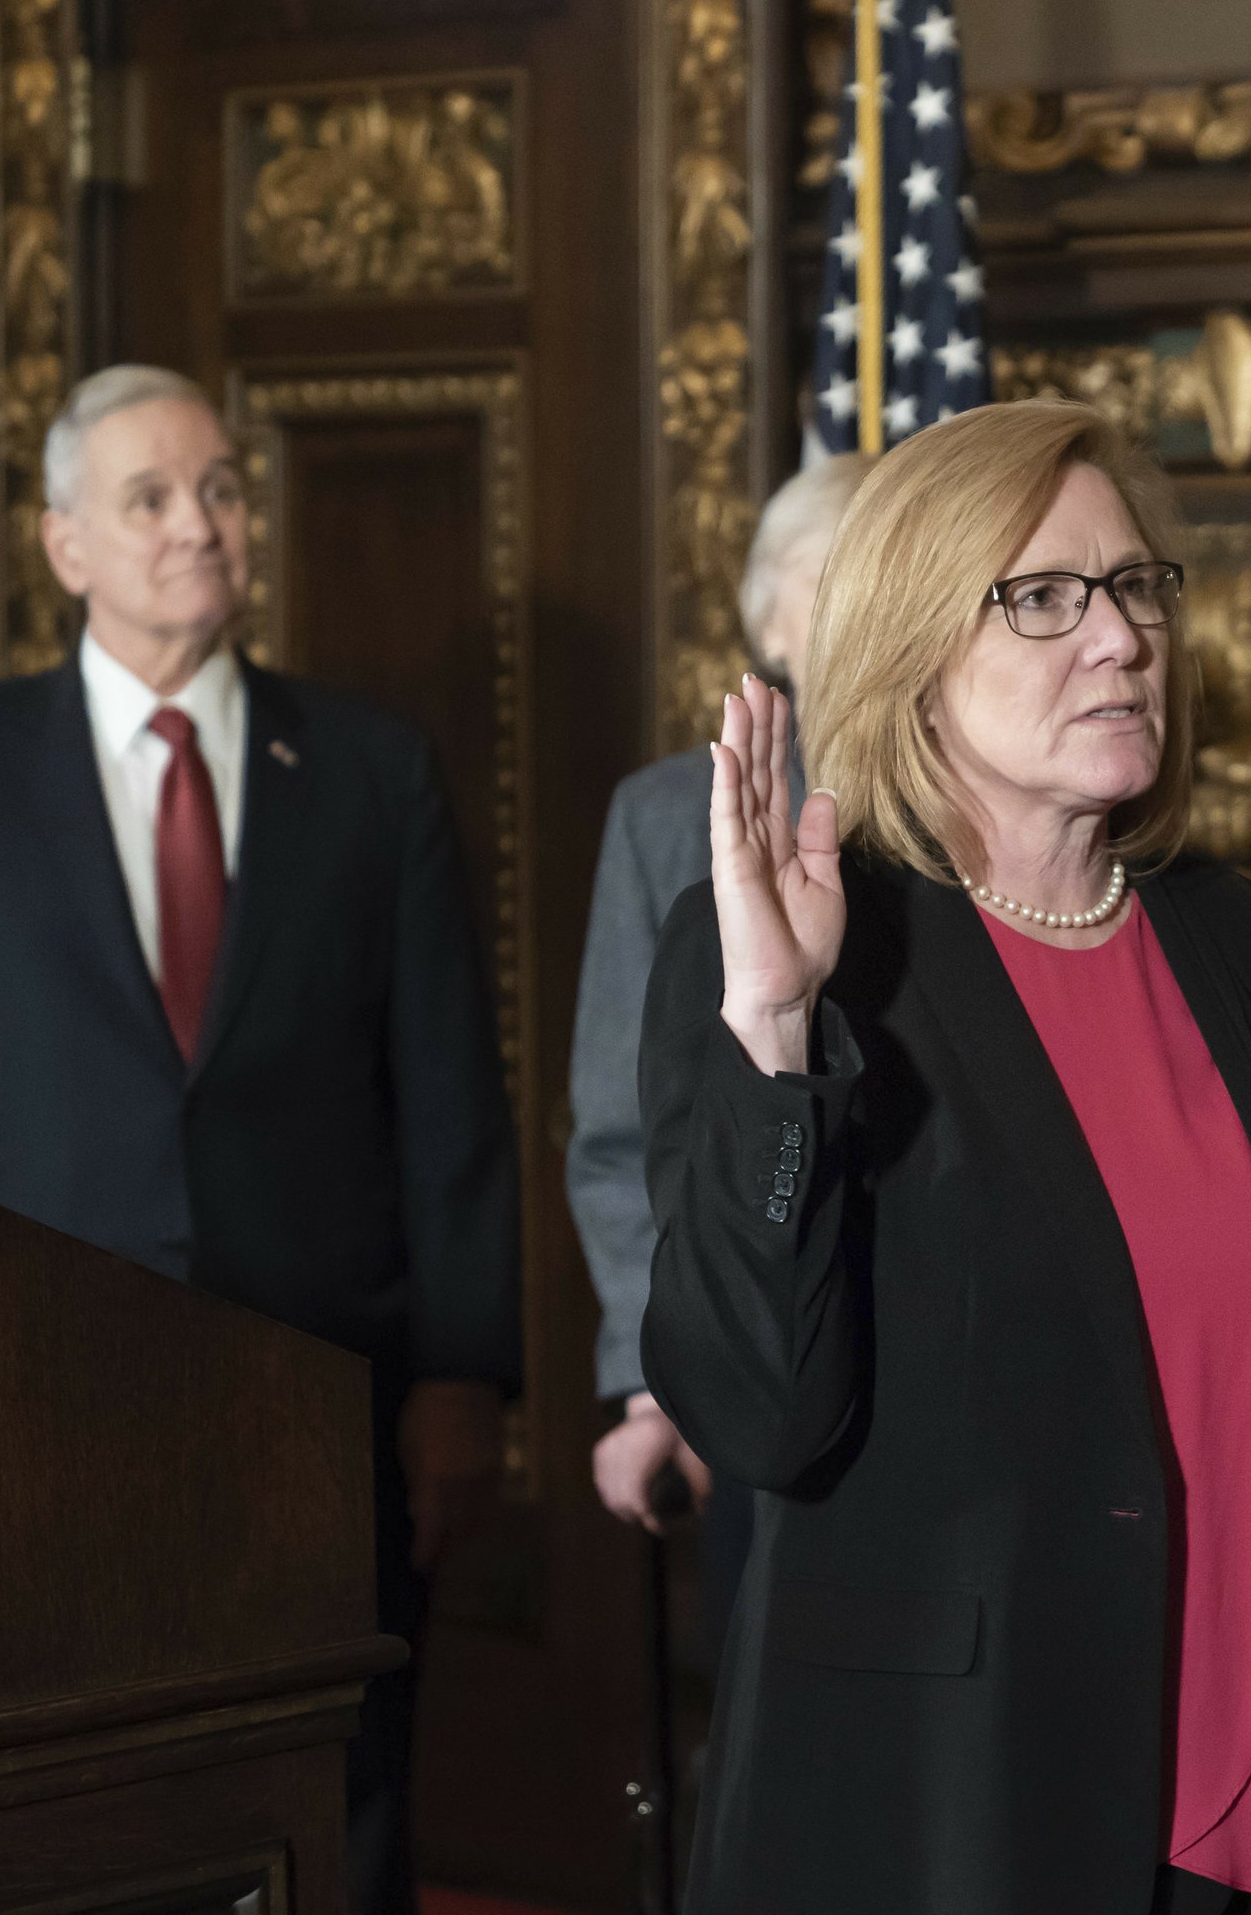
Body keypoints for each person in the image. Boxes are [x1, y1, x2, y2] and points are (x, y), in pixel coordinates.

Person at [639, 398, 1251, 1915]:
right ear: (914, 646)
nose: (1119, 638)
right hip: (951, 1797)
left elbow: (1230, 1361)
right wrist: (777, 1028)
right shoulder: (806, 952)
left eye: (1134, 587)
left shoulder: (1220, 928)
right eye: (1044, 598)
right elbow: (759, 1414)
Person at [0, 363, 520, 1915]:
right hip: (24, 1403)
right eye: (151, 498)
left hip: (321, 1392)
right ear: (65, 546)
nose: (199, 526)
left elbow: (448, 1093)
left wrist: (460, 1378)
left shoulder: (370, 771)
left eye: (223, 489)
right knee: (59, 1822)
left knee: (345, 1799)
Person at [570, 452, 870, 1651]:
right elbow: (614, 1135)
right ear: (771, 617)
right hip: (753, 1350)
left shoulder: (973, 802)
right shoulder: (664, 818)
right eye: (834, 580)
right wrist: (661, 1386)